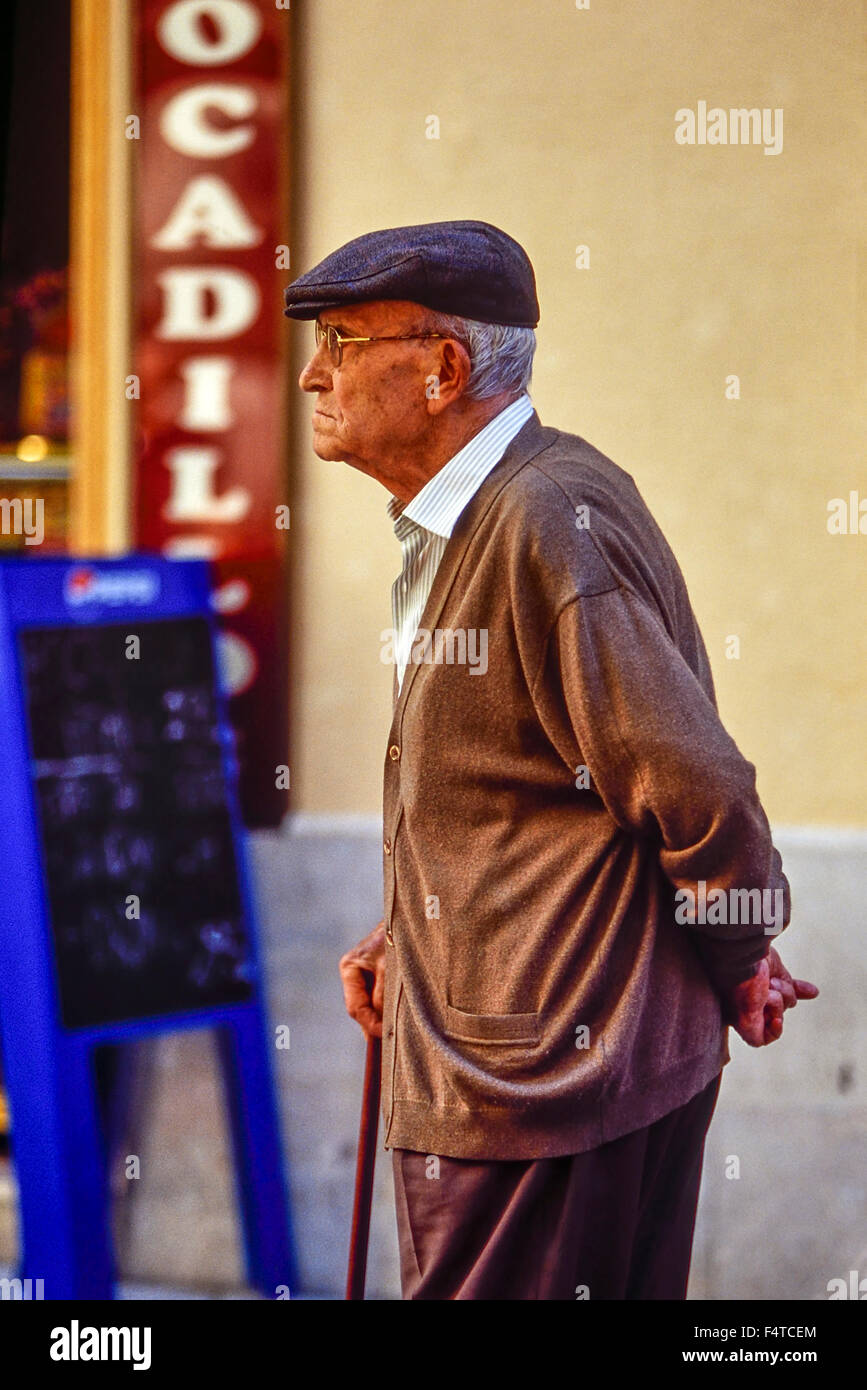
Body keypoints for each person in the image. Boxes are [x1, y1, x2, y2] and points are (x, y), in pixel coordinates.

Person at [283, 220, 819, 1300]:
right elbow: (525, 784)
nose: (313, 375)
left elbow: (695, 784)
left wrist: (740, 951)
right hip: (546, 1063)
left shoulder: (540, 519)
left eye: (342, 339)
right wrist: (417, 933)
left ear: (443, 368)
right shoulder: (495, 507)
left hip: (541, 1083)